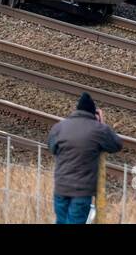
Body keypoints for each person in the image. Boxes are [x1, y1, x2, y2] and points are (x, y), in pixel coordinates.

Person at [46, 92, 122, 224]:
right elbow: (116, 144)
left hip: (61, 188)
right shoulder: (98, 129)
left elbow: (52, 148)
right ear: (94, 113)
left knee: (61, 221)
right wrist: (102, 123)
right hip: (82, 191)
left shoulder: (59, 127)